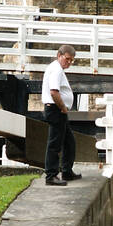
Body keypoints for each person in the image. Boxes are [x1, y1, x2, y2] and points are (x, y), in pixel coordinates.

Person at [41, 44, 81, 186]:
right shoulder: (56, 69)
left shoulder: (57, 69)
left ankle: (67, 171)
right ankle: (51, 176)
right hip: (56, 109)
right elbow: (54, 92)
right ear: (59, 55)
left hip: (58, 110)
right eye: (67, 59)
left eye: (72, 60)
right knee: (55, 144)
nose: (69, 62)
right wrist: (63, 107)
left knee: (69, 142)